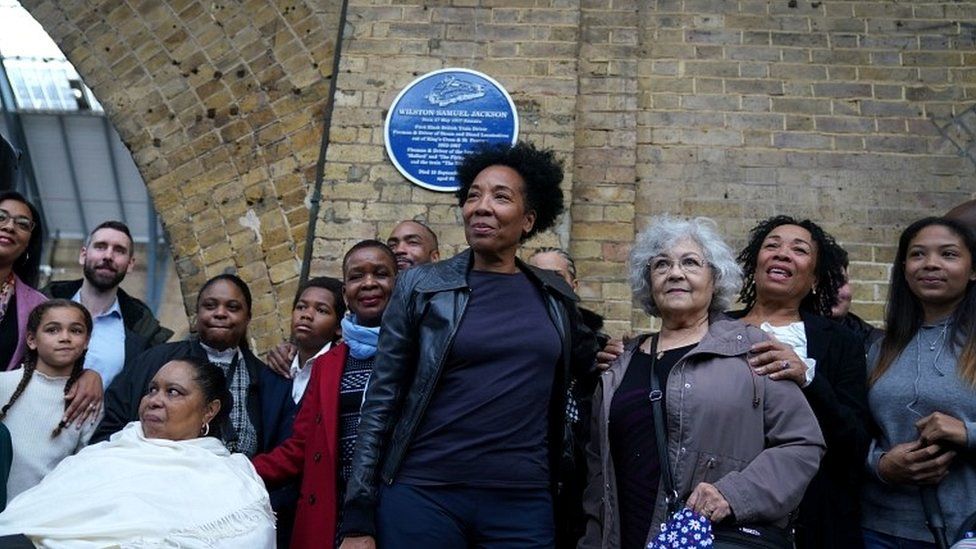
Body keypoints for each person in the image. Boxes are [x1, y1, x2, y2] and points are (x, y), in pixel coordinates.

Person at [340, 142, 597, 549]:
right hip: (424, 495)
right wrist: (357, 515)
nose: (481, 206)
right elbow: (382, 399)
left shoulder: (554, 297)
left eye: (500, 196)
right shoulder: (421, 286)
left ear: (528, 219)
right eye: (473, 195)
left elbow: (590, 364)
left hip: (522, 501)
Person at [578, 216, 824, 549]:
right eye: (661, 264)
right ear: (648, 281)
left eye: (691, 262)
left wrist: (735, 494)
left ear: (716, 279)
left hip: (709, 538)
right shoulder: (619, 366)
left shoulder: (752, 350)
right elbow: (598, 471)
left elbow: (802, 443)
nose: (675, 273)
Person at [0, 357, 275, 547]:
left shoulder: (229, 478)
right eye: (152, 389)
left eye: (174, 392)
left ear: (209, 410)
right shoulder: (105, 453)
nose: (155, 401)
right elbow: (32, 518)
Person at [735, 215, 871, 549]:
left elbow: (854, 439)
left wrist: (809, 377)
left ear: (814, 279)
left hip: (812, 517)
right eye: (772, 246)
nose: (782, 254)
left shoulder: (841, 343)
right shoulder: (712, 328)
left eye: (799, 250)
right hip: (726, 503)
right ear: (754, 266)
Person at [254, 243, 397, 548]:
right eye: (357, 276)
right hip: (334, 516)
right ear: (346, 294)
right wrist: (239, 470)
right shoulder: (327, 365)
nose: (369, 282)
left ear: (398, 283)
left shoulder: (421, 350)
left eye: (381, 274)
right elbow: (302, 445)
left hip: (400, 510)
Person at [861, 217, 976, 547]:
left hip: (964, 529)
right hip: (878, 528)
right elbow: (855, 431)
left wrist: (967, 432)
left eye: (949, 254)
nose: (931, 264)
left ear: (973, 270)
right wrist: (881, 465)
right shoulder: (880, 347)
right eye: (918, 254)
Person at [93, 274, 292, 456]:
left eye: (232, 307)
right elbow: (110, 428)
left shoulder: (266, 380)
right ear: (197, 314)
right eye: (210, 306)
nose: (220, 313)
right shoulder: (154, 362)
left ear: (248, 317)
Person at [264, 220, 440, 378]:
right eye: (392, 245)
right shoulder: (332, 360)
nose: (400, 250)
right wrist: (298, 353)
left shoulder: (443, 324)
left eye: (412, 242)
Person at [258, 275, 346, 548]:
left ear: (339, 327)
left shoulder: (340, 372)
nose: (307, 315)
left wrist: (242, 470)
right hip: (268, 504)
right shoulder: (276, 370)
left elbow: (301, 448)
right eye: (301, 307)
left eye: (321, 310)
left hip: (314, 505)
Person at [0, 191, 101, 426]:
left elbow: (51, 364)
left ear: (28, 243)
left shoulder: (36, 305)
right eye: (1, 217)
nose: (9, 226)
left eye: (22, 224)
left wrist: (90, 375)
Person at [43, 221, 160, 388]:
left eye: (119, 250)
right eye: (100, 246)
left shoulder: (141, 328)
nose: (108, 256)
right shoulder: (41, 303)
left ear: (130, 264)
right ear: (83, 255)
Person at [0, 299, 97, 500]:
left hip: (43, 513)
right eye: (52, 330)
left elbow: (82, 467)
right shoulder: (4, 384)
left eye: (76, 331)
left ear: (87, 341)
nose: (65, 338)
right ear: (31, 340)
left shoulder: (87, 400)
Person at [831, 249, 884, 353]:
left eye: (841, 281)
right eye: (824, 282)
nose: (834, 290)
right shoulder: (794, 335)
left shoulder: (877, 343)